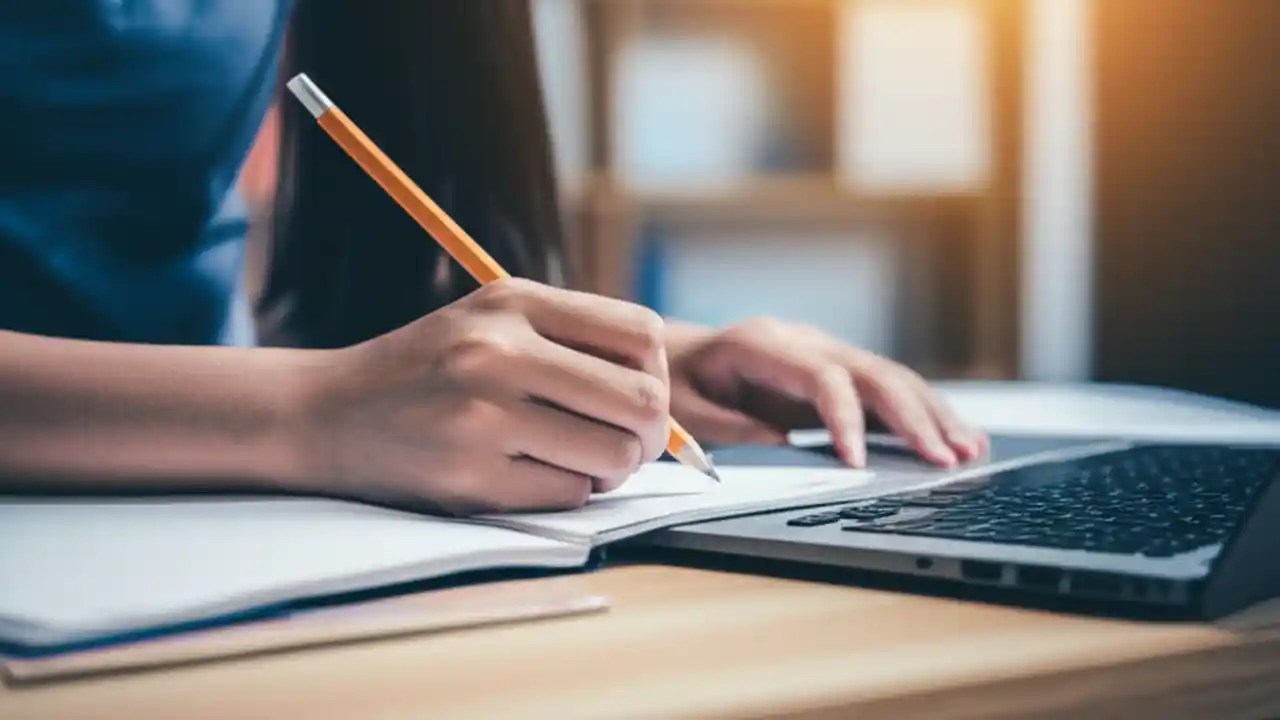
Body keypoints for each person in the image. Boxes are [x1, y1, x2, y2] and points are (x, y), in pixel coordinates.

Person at [0, 1, 986, 516]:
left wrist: (621, 363)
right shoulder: (304, 416)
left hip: (234, 520)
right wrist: (309, 413)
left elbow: (342, 274)